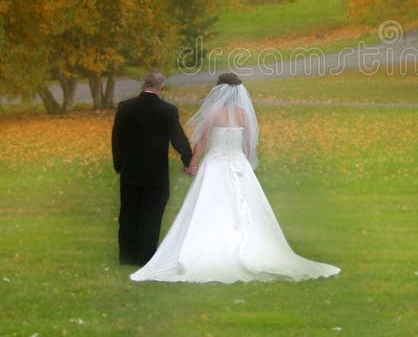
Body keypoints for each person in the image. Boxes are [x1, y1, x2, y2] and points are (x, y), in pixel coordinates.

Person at [130, 72, 340, 284]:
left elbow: (202, 143)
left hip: (215, 163)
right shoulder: (244, 114)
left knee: (208, 206)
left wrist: (192, 164)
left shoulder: (212, 113)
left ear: (218, 91)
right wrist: (242, 162)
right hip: (238, 163)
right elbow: (247, 146)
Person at [111, 71, 193, 265]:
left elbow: (117, 138)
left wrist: (118, 164)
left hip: (130, 170)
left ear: (143, 84)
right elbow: (178, 138)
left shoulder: (126, 107)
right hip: (156, 172)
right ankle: (146, 256)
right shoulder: (168, 110)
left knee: (129, 212)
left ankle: (127, 256)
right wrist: (188, 160)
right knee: (152, 214)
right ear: (161, 87)